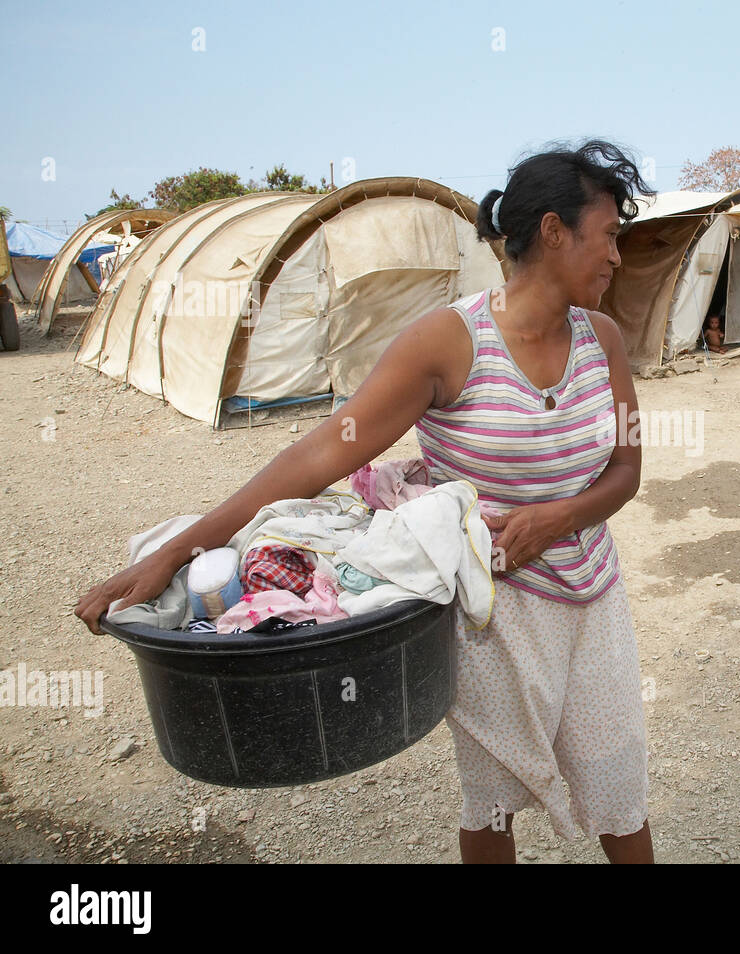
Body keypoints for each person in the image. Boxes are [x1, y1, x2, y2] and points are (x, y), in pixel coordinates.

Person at [75, 139, 657, 863]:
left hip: (593, 598)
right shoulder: (448, 342)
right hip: (489, 613)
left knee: (617, 785)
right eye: (607, 237)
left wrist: (561, 517)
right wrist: (178, 549)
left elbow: (627, 467)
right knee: (494, 802)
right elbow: (319, 453)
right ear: (552, 230)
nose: (617, 257)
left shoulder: (603, 340)